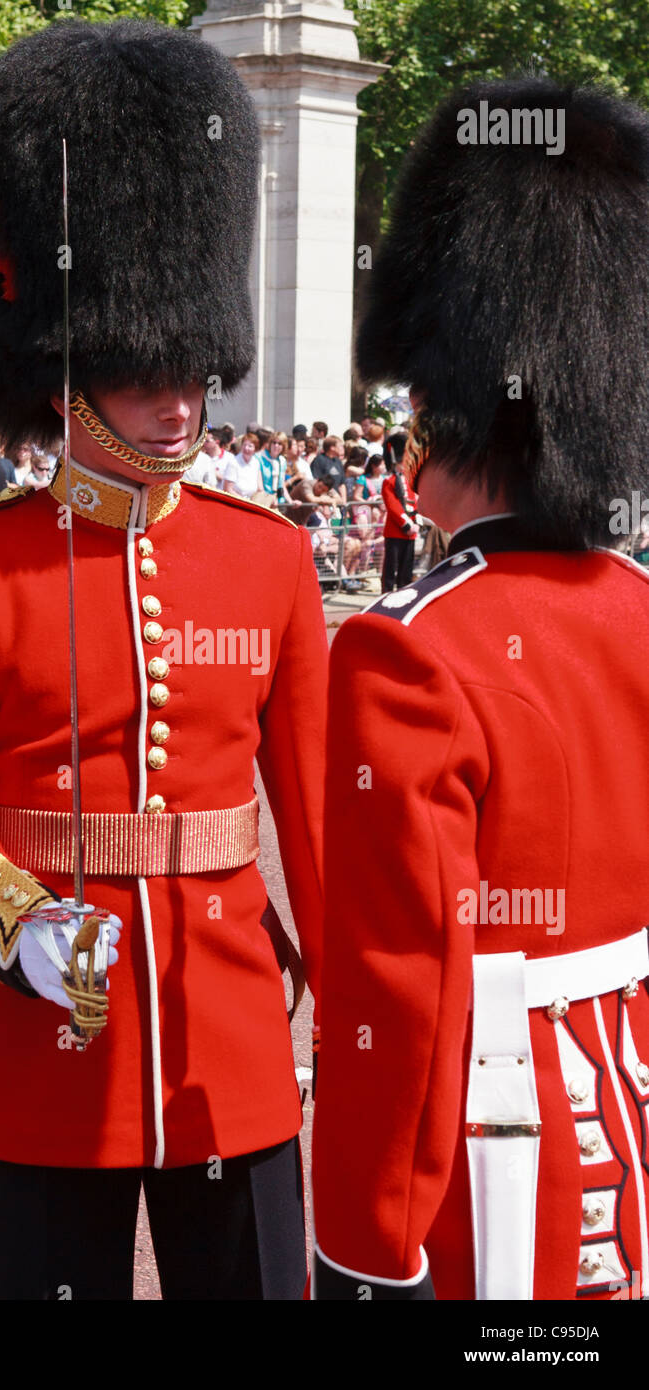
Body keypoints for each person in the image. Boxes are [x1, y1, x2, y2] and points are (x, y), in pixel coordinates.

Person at [0, 17, 325, 1303]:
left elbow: (319, 817)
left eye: (190, 370)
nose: (178, 402)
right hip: (43, 1042)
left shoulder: (269, 561)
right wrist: (14, 922)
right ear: (69, 374)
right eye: (139, 373)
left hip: (228, 1039)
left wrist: (356, 1013)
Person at [312, 77, 649, 1302]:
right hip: (629, 1095)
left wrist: (362, 1233)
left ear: (435, 427)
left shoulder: (407, 648)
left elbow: (401, 985)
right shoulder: (635, 603)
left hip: (495, 1146)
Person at [380, 432, 419, 591]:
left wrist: (416, 522)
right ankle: (386, 594)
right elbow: (393, 506)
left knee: (406, 570)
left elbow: (415, 502)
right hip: (396, 530)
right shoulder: (389, 481)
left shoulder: (410, 480)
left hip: (411, 530)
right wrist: (407, 523)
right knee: (391, 568)